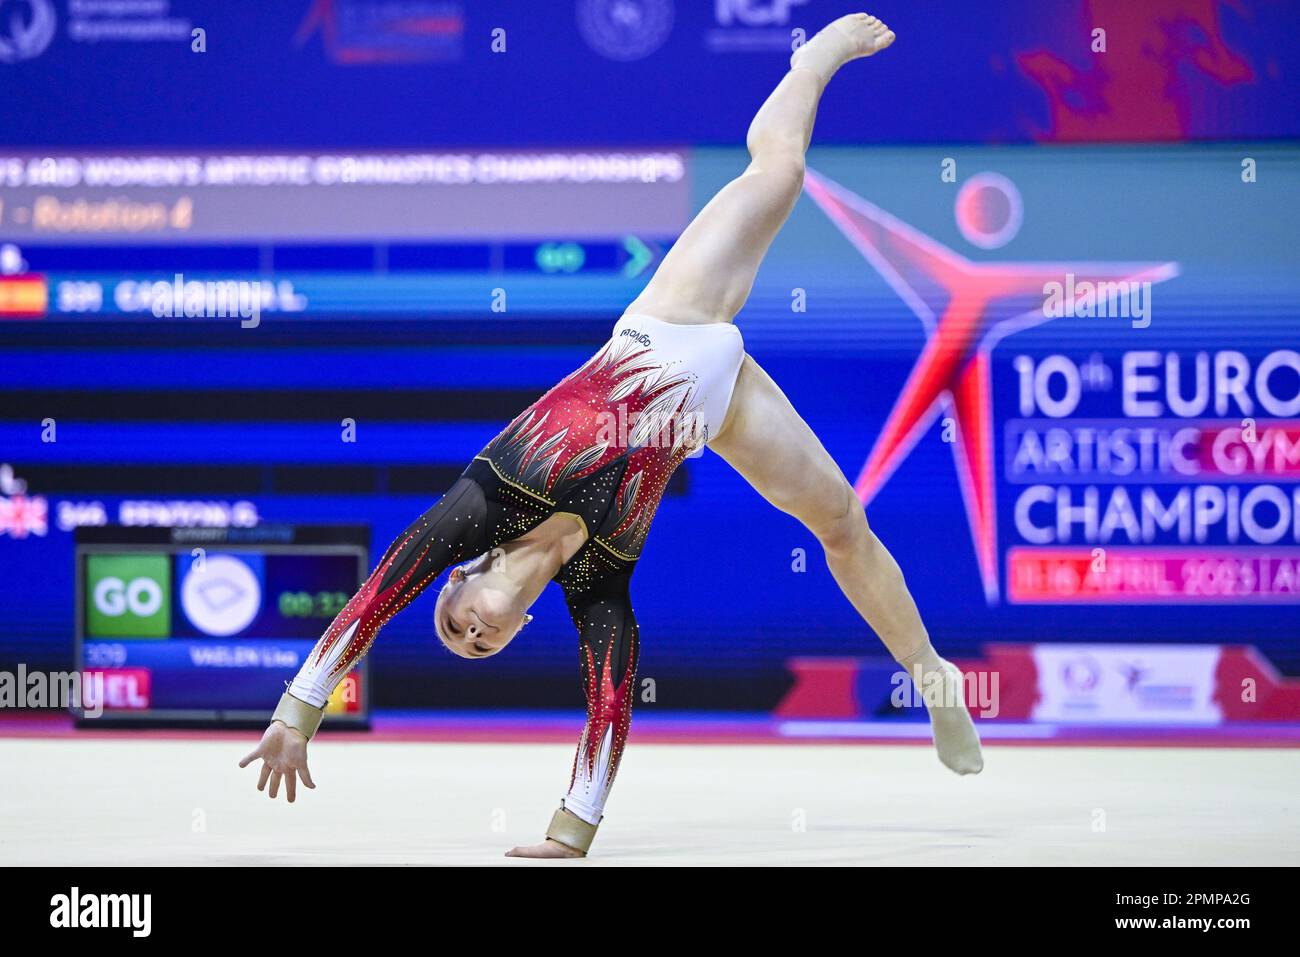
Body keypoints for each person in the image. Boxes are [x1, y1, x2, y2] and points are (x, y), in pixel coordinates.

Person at [240, 13, 982, 859]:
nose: (473, 637)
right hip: (716, 408)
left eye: (456, 625)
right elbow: (609, 707)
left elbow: (380, 591)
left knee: (779, 172)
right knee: (842, 527)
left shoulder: (486, 498)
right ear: (517, 634)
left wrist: (297, 713)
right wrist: (569, 835)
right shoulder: (597, 586)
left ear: (465, 576)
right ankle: (934, 676)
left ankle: (812, 58)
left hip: (670, 322)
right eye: (482, 646)